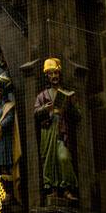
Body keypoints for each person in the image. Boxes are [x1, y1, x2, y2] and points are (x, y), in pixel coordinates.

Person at [34, 57, 79, 199]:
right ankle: (52, 188)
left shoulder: (66, 94)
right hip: (48, 130)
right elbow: (35, 113)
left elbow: (78, 115)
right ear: (47, 76)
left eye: (56, 73)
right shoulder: (42, 96)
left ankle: (67, 188)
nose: (54, 76)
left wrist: (71, 105)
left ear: (60, 74)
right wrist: (44, 109)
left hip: (61, 130)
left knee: (64, 158)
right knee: (49, 160)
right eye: (51, 74)